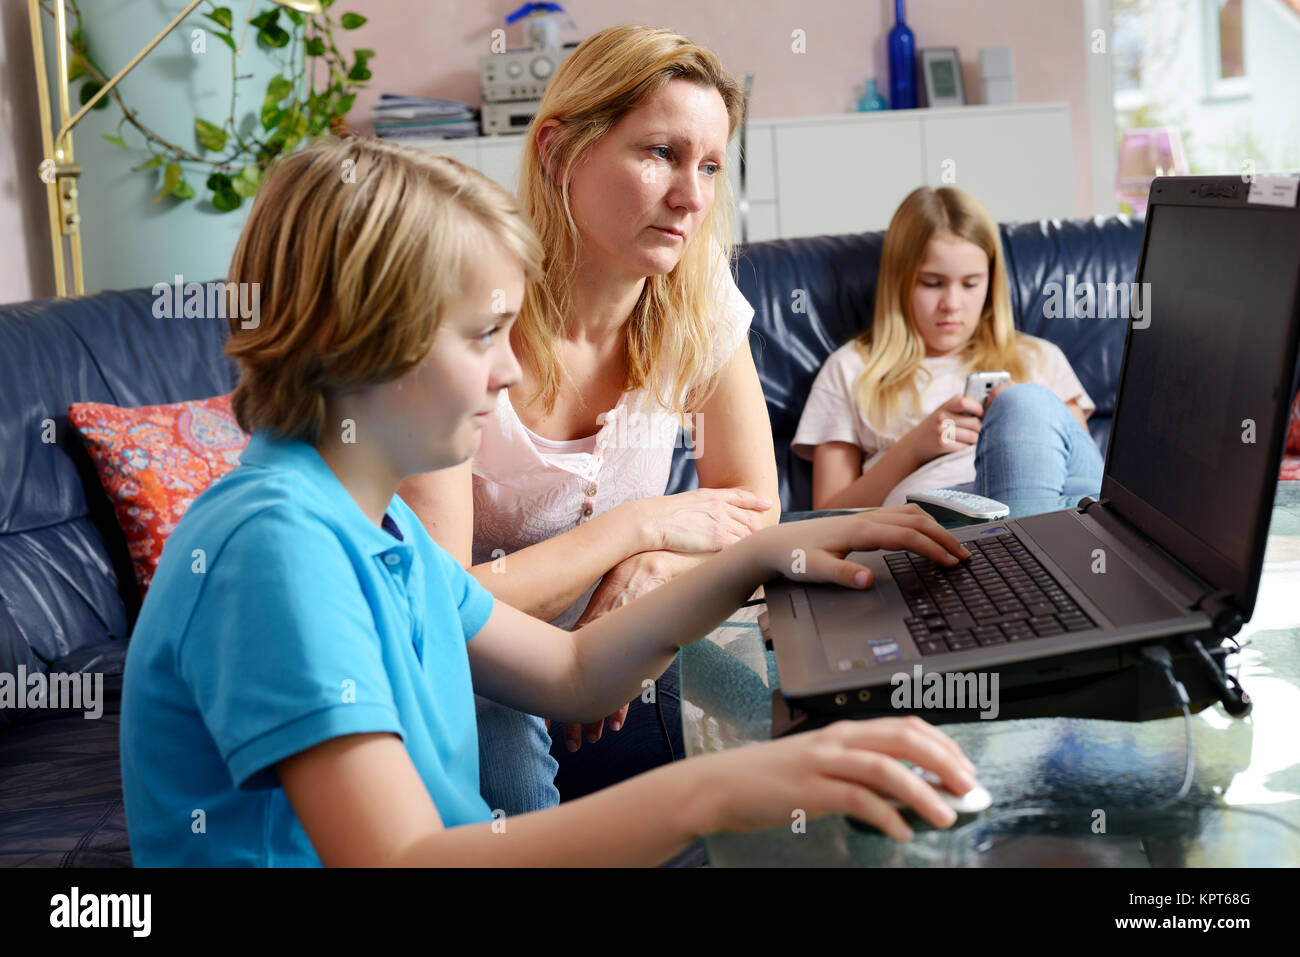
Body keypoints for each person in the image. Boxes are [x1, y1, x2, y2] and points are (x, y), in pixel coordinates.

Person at [118, 137, 978, 867]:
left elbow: (573, 673)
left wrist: (768, 550)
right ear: (355, 342)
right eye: (484, 334)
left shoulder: (382, 530)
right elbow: (403, 860)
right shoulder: (276, 546)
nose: (511, 370)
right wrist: (710, 791)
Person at [398, 25, 779, 816]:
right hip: (477, 665)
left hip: (623, 649)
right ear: (558, 151)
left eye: (710, 165)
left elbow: (756, 509)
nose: (693, 196)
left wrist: (650, 578)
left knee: (801, 682)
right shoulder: (467, 317)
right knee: (492, 694)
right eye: (660, 154)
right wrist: (635, 529)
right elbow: (447, 606)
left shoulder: (698, 303)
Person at [792, 186, 1104, 514]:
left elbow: (1084, 480)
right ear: (899, 281)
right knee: (1023, 405)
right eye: (932, 283)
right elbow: (826, 516)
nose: (952, 305)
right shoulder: (851, 369)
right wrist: (914, 447)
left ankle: (1035, 551)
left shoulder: (1040, 357)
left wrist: (1017, 424)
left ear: (991, 282)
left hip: (1053, 506)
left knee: (1022, 403)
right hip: (946, 518)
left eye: (971, 284)